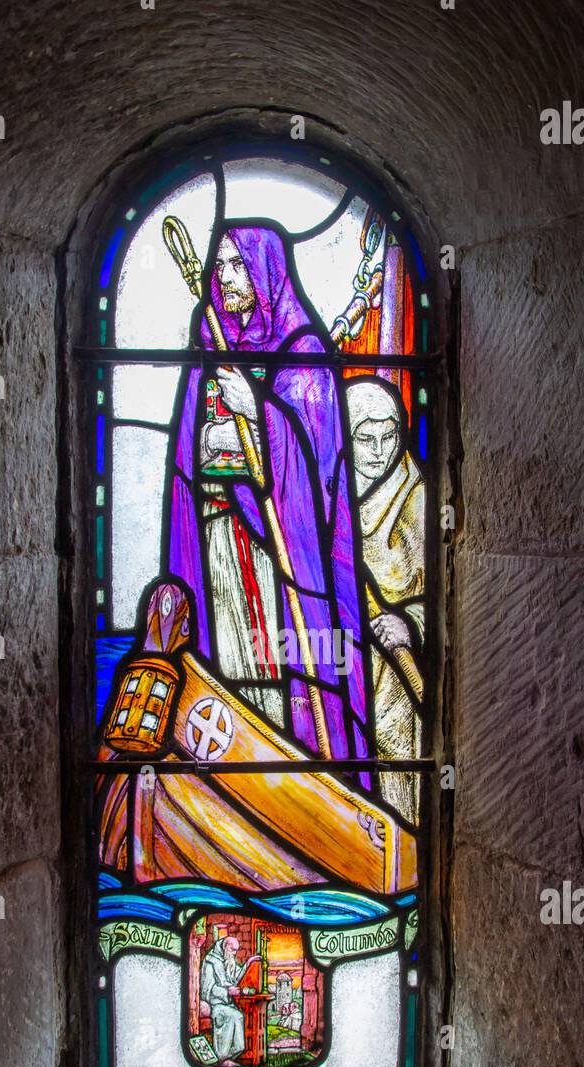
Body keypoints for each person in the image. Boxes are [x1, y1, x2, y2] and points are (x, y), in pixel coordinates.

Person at [164, 224, 371, 765]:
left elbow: (314, 461)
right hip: (218, 537)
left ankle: (300, 762)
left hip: (278, 552)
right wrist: (214, 435)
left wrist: (255, 407)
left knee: (279, 663)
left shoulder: (300, 350)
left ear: (266, 274)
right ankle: (231, 764)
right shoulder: (209, 348)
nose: (226, 279)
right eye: (220, 267)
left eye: (238, 267)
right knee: (231, 658)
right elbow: (189, 453)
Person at [346, 377, 424, 823]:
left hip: (396, 671)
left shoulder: (415, 498)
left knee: (393, 761)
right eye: (365, 437)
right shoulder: (332, 491)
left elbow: (434, 600)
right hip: (347, 658)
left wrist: (410, 624)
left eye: (388, 436)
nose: (379, 449)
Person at [199, 934, 245, 1062]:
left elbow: (238, 975)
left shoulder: (228, 959)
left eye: (236, 950)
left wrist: (249, 966)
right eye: (233, 950)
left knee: (239, 1015)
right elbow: (207, 989)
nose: (235, 953)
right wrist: (227, 992)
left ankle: (234, 1054)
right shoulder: (211, 961)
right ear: (225, 947)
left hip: (228, 1004)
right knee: (232, 1016)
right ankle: (223, 1057)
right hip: (215, 1004)